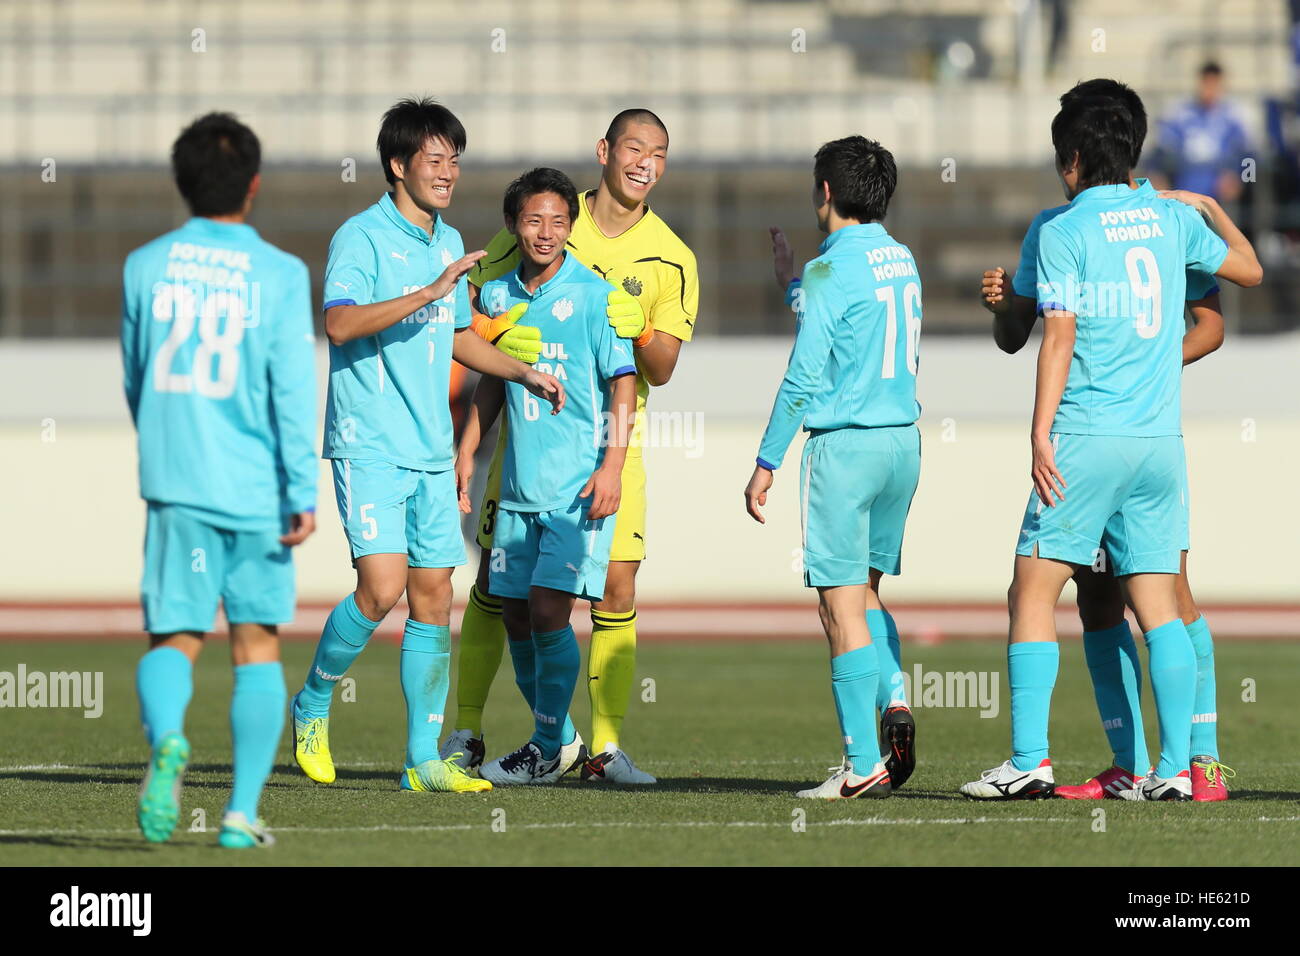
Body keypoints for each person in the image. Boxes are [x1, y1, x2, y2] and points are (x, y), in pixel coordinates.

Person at [962, 96, 1261, 802]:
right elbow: (1248, 272)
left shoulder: (1062, 226)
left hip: (1088, 433)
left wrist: (1040, 431)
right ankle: (1169, 770)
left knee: (1036, 586)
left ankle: (1039, 759)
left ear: (1070, 159)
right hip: (1157, 442)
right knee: (1145, 603)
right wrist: (1206, 207)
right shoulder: (1170, 218)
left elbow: (1060, 335)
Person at [288, 98, 564, 794]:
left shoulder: (449, 243)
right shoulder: (362, 237)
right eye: (435, 159)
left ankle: (421, 761)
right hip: (369, 443)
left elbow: (457, 336)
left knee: (435, 595)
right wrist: (430, 290)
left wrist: (521, 369)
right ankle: (314, 700)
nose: (449, 171)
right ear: (397, 165)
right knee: (381, 591)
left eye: (454, 159)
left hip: (431, 450)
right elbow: (343, 324)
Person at [442, 108, 698, 784]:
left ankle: (601, 748)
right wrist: (472, 434)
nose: (646, 162)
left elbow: (661, 366)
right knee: (501, 596)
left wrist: (638, 327)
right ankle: (475, 731)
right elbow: (479, 319)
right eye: (635, 148)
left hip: (605, 449)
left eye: (660, 153)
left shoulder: (671, 255)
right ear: (605, 151)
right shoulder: (546, 220)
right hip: (522, 451)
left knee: (611, 589)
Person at [122, 112, 317, 847]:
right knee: (257, 645)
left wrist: (168, 449)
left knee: (173, 638)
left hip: (177, 483)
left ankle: (169, 737)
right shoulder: (280, 274)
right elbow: (292, 392)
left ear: (181, 181)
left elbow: (136, 379)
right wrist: (301, 488)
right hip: (257, 492)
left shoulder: (144, 265)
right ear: (255, 185)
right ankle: (238, 815)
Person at [744, 135, 922, 800]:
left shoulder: (830, 270)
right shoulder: (899, 259)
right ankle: (895, 697)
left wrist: (765, 461)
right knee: (869, 594)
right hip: (901, 443)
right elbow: (850, 326)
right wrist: (793, 280)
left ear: (826, 192)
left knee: (838, 606)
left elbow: (802, 375)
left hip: (844, 448)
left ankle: (859, 763)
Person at [461, 168, 639, 784]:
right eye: (534, 220)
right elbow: (493, 379)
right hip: (515, 491)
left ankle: (542, 745)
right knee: (512, 612)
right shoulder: (501, 298)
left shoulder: (594, 296)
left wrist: (612, 464)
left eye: (559, 221)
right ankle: (561, 740)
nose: (546, 232)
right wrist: (467, 449)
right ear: (514, 224)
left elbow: (625, 381)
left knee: (546, 612)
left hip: (574, 489)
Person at [1151, 62, 1250, 203]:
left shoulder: (1235, 116)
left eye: (1214, 84)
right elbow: (1160, 150)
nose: (1210, 90)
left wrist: (1243, 179)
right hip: (1184, 184)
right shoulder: (1179, 114)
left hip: (1220, 189)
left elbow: (1250, 156)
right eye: (1206, 84)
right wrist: (1157, 174)